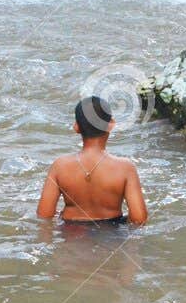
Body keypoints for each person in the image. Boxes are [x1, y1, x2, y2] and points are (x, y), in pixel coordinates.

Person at [36, 96, 148, 227]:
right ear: (111, 124)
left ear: (76, 127)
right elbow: (139, 219)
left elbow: (44, 215)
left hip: (71, 232)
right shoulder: (125, 168)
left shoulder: (60, 166)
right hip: (111, 233)